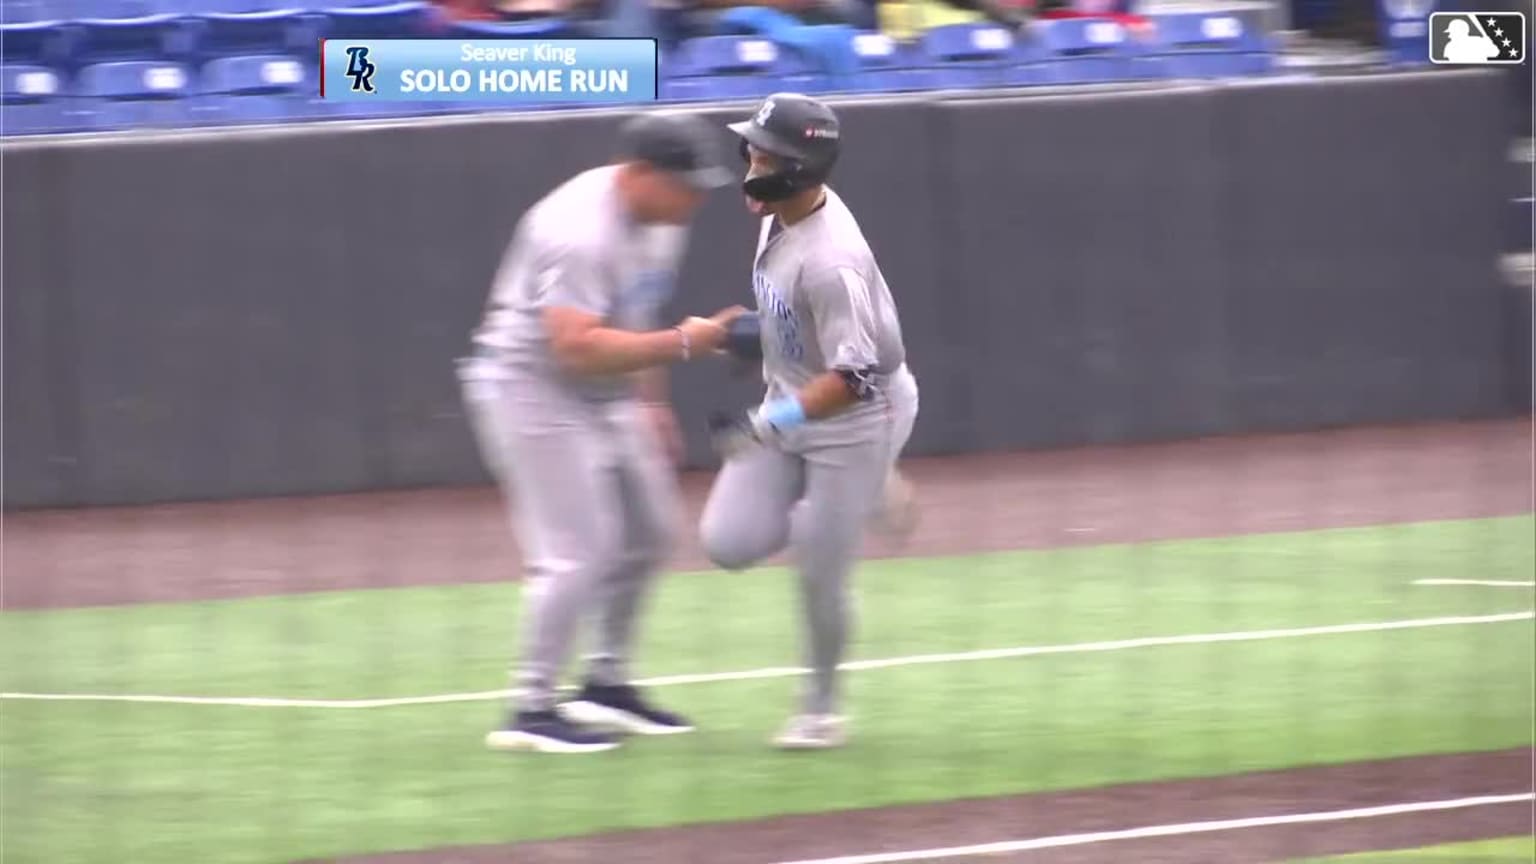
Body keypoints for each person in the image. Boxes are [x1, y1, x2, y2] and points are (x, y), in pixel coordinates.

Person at [457, 111, 745, 754]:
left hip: (608, 392)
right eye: (684, 183)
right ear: (639, 174)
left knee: (650, 531)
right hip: (531, 388)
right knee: (577, 551)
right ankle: (530, 707)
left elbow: (635, 313)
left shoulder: (661, 222)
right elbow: (574, 349)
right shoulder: (578, 229)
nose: (696, 198)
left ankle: (604, 683)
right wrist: (683, 344)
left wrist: (653, 403)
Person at [700, 93, 921, 750]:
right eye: (752, 149)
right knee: (728, 542)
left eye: (767, 155)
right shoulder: (778, 215)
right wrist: (747, 339)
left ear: (802, 167)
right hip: (793, 398)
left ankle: (820, 710)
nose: (751, 165)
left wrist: (768, 426)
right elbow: (791, 321)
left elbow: (853, 379)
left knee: (820, 571)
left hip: (857, 418)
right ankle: (855, 499)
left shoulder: (833, 259)